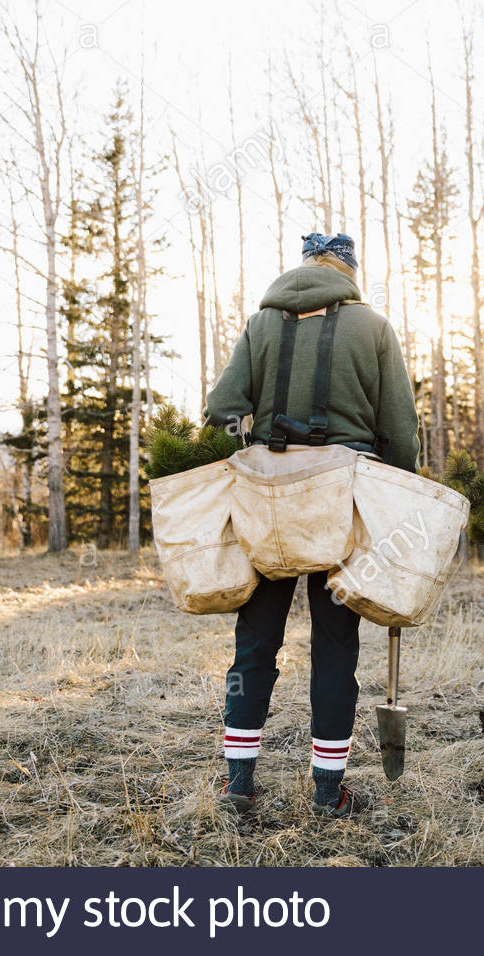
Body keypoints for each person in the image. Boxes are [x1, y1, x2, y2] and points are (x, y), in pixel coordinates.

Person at [203, 232, 419, 817]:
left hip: (267, 498)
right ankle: (329, 792)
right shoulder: (372, 326)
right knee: (334, 647)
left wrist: (248, 452)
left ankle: (239, 787)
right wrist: (399, 492)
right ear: (350, 271)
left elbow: (221, 409)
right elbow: (399, 430)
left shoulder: (262, 323)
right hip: (341, 498)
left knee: (255, 643)